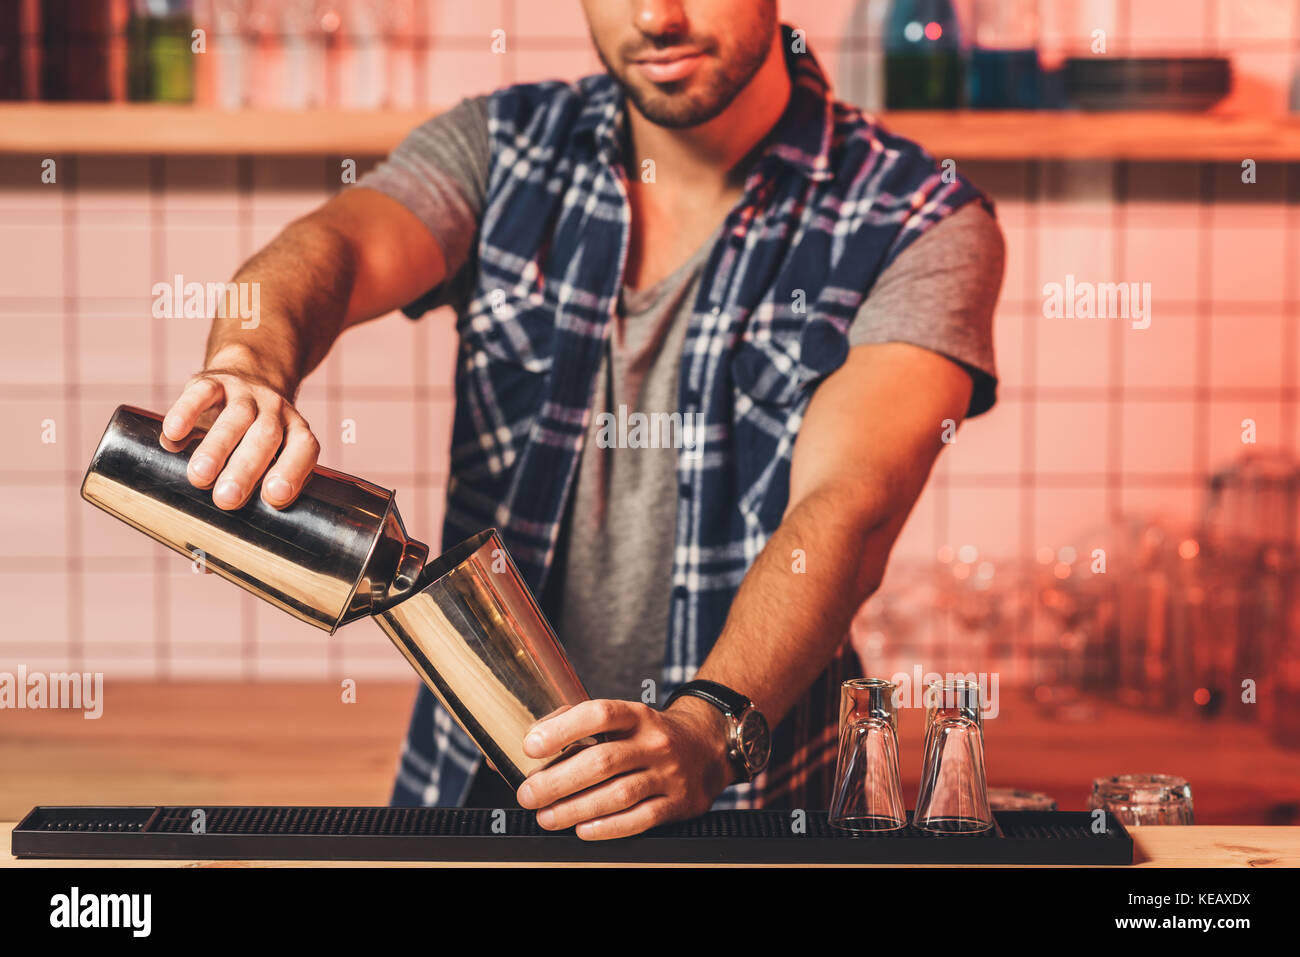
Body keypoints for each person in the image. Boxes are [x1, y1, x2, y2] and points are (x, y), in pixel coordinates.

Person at [161, 0, 1004, 841]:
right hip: (474, 794)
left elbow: (847, 510)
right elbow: (334, 245)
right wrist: (249, 363)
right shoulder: (503, 146)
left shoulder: (918, 217)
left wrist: (710, 728)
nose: (654, 17)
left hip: (755, 807)